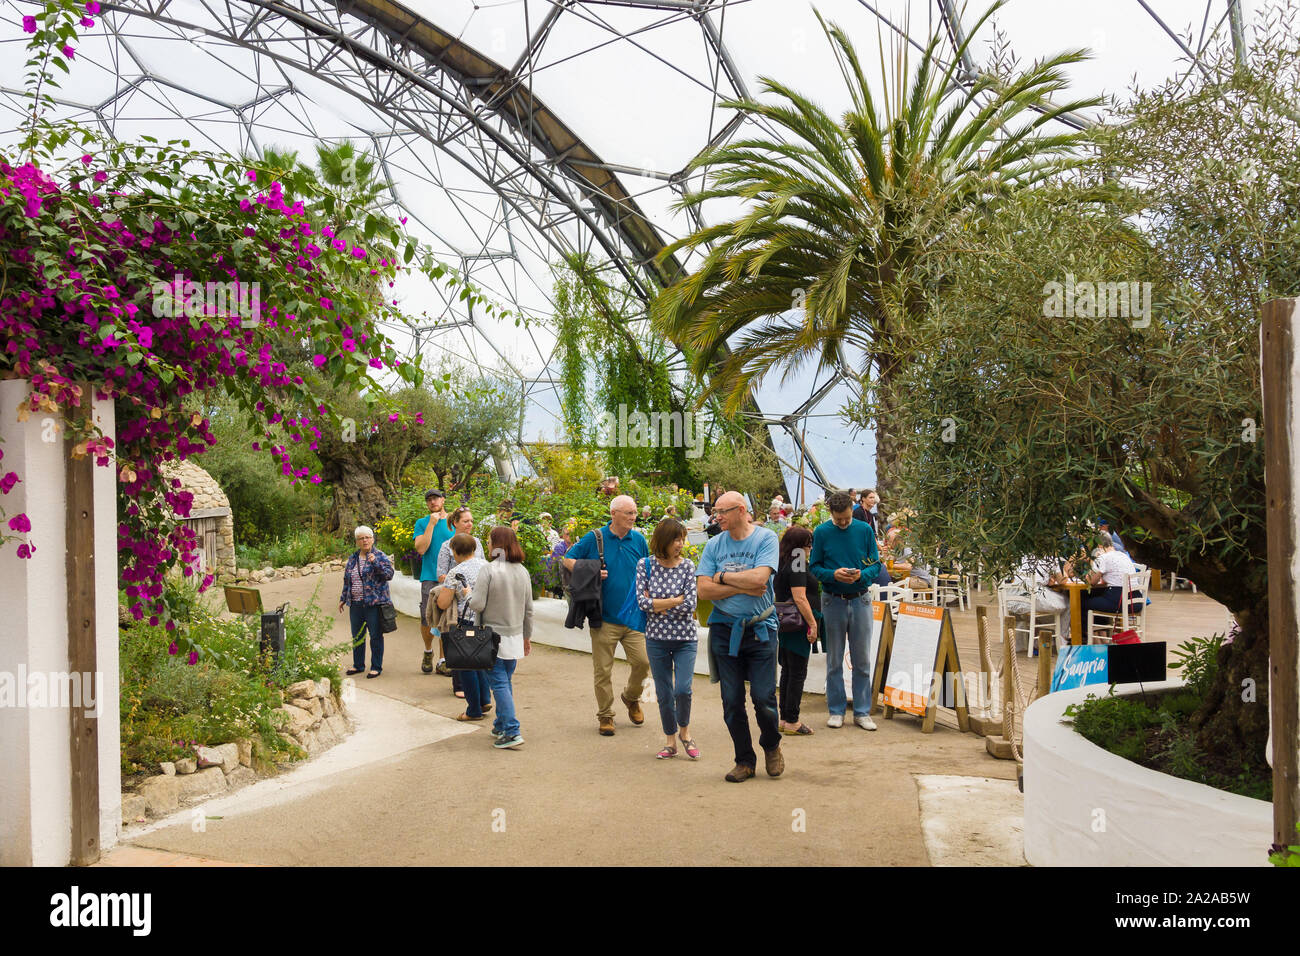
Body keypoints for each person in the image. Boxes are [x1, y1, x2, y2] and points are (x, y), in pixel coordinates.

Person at [697, 491, 783, 783]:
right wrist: (740, 584)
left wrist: (721, 577)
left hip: (760, 630)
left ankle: (771, 745)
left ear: (741, 510)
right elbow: (703, 591)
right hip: (724, 630)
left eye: (722, 511)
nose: (716, 516)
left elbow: (760, 580)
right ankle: (744, 760)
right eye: (715, 511)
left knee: (764, 698)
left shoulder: (766, 539)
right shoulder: (713, 546)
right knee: (731, 701)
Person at [562, 494, 651, 736]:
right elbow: (567, 559)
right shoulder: (595, 538)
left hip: (634, 617)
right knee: (603, 671)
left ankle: (631, 698)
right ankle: (605, 716)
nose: (633, 517)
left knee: (643, 663)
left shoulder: (639, 540)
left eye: (634, 513)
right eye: (628, 513)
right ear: (613, 514)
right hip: (604, 617)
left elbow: (648, 569)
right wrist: (589, 569)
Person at [809, 491, 882, 730]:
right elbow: (814, 566)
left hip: (860, 598)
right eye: (838, 519)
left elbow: (876, 563)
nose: (842, 523)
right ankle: (836, 710)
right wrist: (833, 575)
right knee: (834, 659)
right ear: (831, 513)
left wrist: (863, 574)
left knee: (862, 659)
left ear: (852, 510)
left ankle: (862, 712)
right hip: (833, 600)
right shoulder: (821, 532)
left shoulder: (864, 530)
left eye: (846, 519)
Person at [636, 518, 700, 760]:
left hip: (685, 638)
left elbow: (691, 604)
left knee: (683, 689)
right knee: (663, 692)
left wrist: (659, 605)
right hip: (656, 639)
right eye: (676, 539)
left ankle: (686, 733)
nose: (680, 544)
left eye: (682, 539)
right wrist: (675, 600)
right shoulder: (645, 565)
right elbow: (642, 603)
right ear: (663, 540)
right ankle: (670, 740)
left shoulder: (687, 567)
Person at [468, 526, 534, 749]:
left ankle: (512, 731)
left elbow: (477, 604)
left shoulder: (489, 570)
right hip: (514, 636)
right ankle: (500, 723)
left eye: (489, 541)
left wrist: (468, 594)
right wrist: (527, 637)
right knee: (504, 681)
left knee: (498, 683)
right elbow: (529, 609)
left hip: (491, 637)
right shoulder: (522, 571)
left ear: (496, 544)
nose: (487, 544)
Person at [433, 533, 492, 721]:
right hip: (487, 620)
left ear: (456, 552)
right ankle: (484, 699)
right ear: (474, 548)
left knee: (466, 666)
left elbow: (443, 603)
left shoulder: (456, 572)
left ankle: (473, 709)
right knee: (481, 662)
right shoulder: (488, 567)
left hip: (466, 621)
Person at [775, 525, 819, 736]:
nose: (810, 548)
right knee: (797, 672)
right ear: (801, 546)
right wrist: (813, 623)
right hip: (797, 622)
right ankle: (792, 719)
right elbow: (800, 596)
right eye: (808, 544)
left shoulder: (783, 560)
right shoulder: (799, 561)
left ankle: (784, 718)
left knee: (788, 670)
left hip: (785, 622)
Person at [437, 507, 485, 695]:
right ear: (455, 522)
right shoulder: (446, 545)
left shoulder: (477, 543)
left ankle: (467, 688)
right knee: (464, 645)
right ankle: (471, 689)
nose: (470, 524)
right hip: (458, 599)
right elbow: (440, 573)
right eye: (466, 521)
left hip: (469, 604)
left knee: (466, 646)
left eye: (471, 521)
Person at [338, 525, 394, 679]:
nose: (364, 541)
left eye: (367, 537)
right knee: (357, 635)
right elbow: (347, 580)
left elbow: (389, 574)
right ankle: (358, 665)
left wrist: (375, 562)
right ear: (357, 541)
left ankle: (376, 666)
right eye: (361, 538)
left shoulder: (380, 555)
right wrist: (343, 598)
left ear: (372, 539)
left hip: (373, 604)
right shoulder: (353, 558)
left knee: (375, 636)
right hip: (355, 603)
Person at [412, 489, 450, 675]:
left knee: (446, 619)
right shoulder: (422, 523)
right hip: (429, 577)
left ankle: (443, 660)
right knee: (427, 619)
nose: (432, 502)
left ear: (443, 500)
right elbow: (420, 549)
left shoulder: (453, 521)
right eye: (429, 500)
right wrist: (432, 524)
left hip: (450, 578)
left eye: (435, 498)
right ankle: (428, 651)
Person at [1081, 534, 1139, 622]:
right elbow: (1106, 580)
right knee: (1099, 598)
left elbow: (1091, 581)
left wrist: (1092, 559)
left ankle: (1088, 634)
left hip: (1119, 602)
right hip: (1136, 601)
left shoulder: (1103, 558)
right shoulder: (1123, 556)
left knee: (1081, 603)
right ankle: (1101, 632)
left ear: (1099, 546)